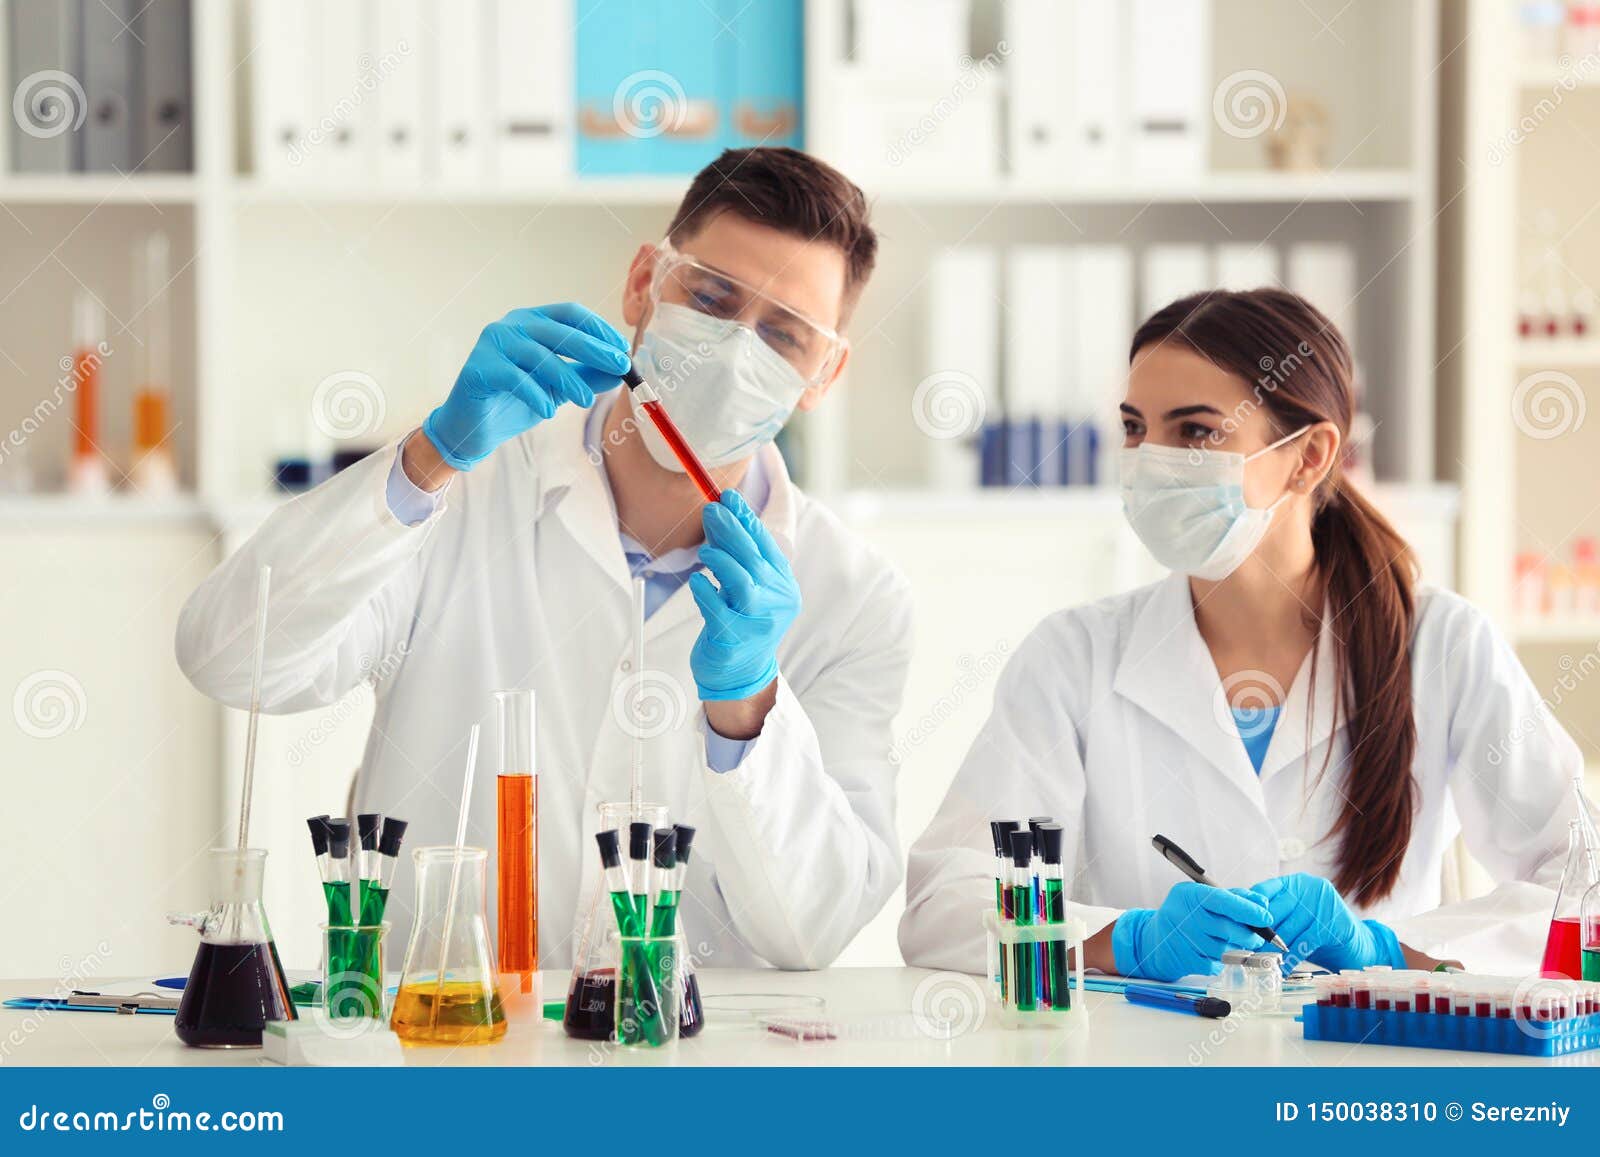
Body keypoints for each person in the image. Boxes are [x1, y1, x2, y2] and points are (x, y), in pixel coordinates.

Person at [177, 147, 912, 971]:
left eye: (784, 335)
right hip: (450, 1048)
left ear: (825, 374)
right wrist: (428, 459)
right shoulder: (464, 494)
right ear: (645, 282)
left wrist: (746, 709)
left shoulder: (855, 598)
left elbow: (817, 928)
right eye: (710, 297)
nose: (737, 350)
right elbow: (233, 657)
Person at [900, 288, 1589, 980]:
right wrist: (1122, 940)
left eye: (1196, 431)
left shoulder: (1442, 645)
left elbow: (1583, 885)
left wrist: (1386, 951)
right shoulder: (1073, 657)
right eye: (1136, 429)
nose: (1150, 461)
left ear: (1309, 455)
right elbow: (941, 905)